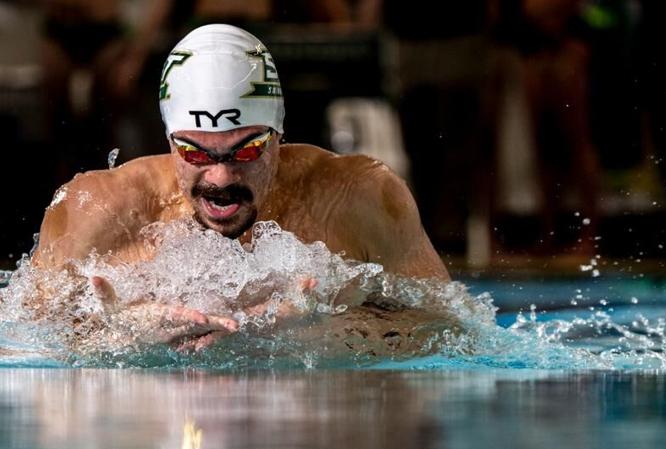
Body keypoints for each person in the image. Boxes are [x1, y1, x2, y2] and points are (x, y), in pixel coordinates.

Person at [33, 24, 450, 351]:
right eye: (195, 153)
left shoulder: (360, 197)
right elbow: (18, 343)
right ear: (169, 141)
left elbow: (452, 331)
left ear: (277, 136)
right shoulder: (96, 210)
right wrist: (118, 338)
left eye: (246, 150)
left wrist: (323, 334)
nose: (220, 178)